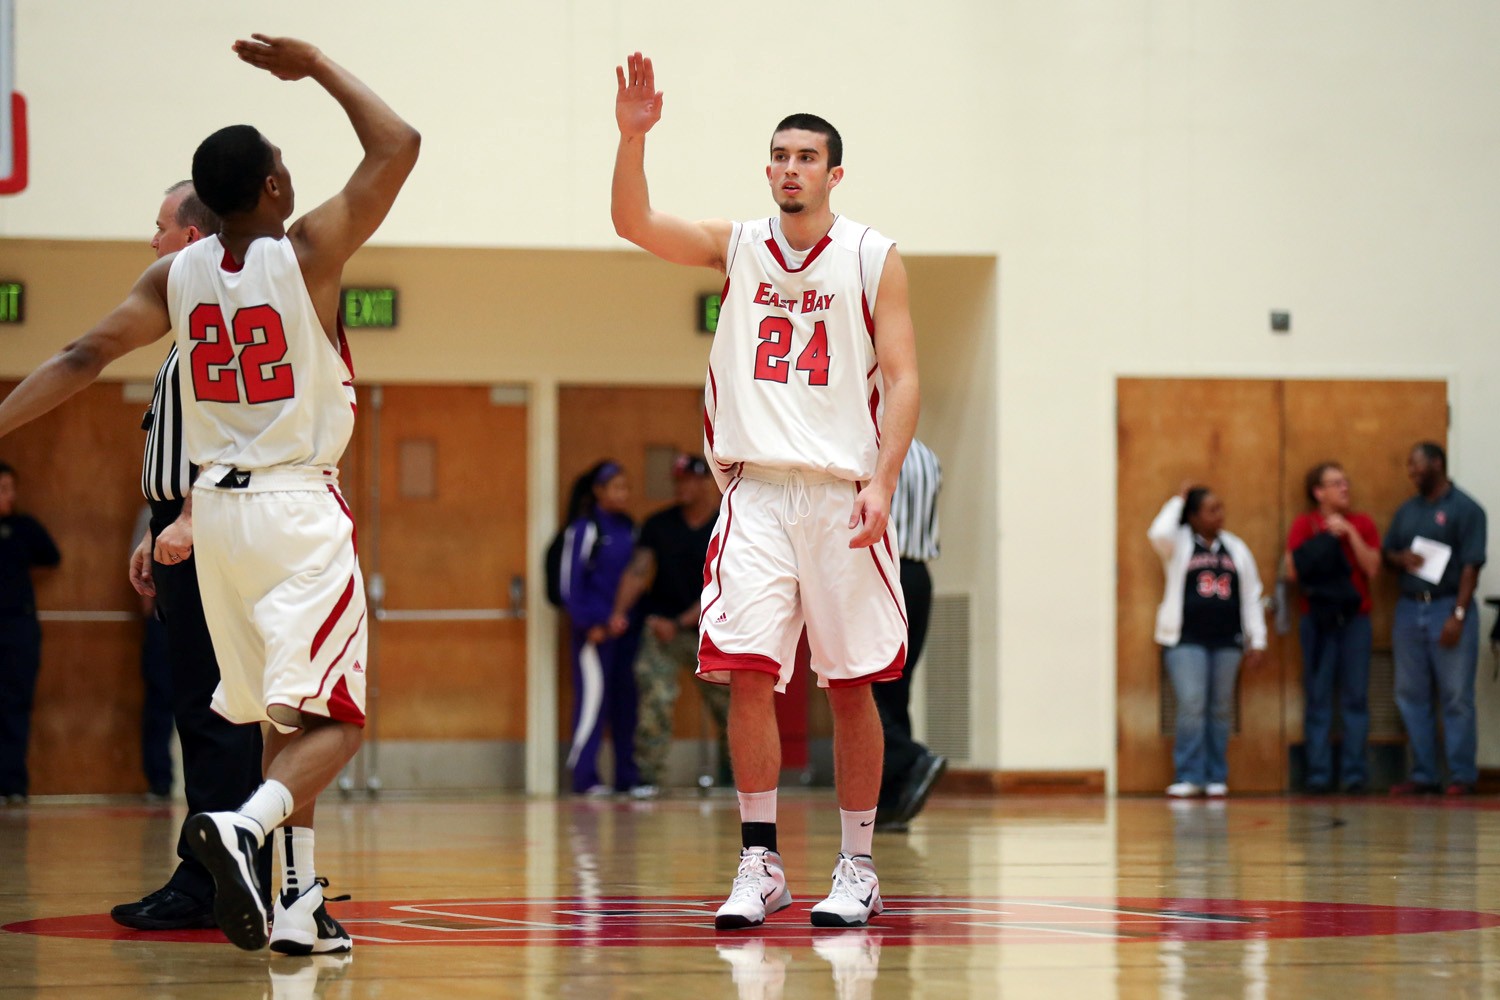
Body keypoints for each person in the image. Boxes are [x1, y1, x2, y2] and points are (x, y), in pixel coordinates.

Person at [0, 34, 419, 954]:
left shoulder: (176, 275)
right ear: (272, 190)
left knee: (287, 712)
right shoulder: (307, 251)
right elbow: (399, 144)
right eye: (282, 166)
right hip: (295, 508)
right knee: (340, 722)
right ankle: (245, 826)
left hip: (215, 520)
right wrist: (314, 68)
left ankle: (301, 903)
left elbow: (81, 356)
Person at [612, 53, 919, 930]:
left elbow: (902, 380)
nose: (789, 167)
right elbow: (633, 222)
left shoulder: (871, 256)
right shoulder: (737, 244)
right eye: (779, 154)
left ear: (834, 172)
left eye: (806, 156)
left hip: (840, 494)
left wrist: (884, 480)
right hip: (753, 493)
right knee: (747, 675)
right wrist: (633, 139)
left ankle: (857, 864)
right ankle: (760, 859)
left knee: (851, 684)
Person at [111, 182, 271, 933]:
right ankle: (232, 865)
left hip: (214, 525)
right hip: (184, 521)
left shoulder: (226, 323)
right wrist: (159, 522)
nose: (151, 243)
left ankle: (211, 876)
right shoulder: (187, 332)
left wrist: (193, 515)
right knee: (207, 707)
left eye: (159, 228)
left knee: (213, 710)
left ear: (195, 237)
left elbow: (240, 440)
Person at [608, 453, 731, 797]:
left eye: (689, 480)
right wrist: (619, 612)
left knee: (732, 706)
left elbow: (722, 583)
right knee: (655, 698)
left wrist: (679, 623)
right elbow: (637, 571)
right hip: (662, 628)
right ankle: (647, 777)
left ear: (706, 481)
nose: (682, 487)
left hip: (713, 628)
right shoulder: (658, 524)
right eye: (677, 481)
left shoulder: (726, 522)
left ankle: (736, 778)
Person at [1148, 485, 1267, 798]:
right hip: (1186, 639)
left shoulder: (1235, 548)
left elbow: (1251, 595)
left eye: (1221, 508)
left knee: (1220, 708)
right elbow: (1158, 533)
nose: (1219, 515)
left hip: (1227, 640)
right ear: (1194, 516)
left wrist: (1258, 640)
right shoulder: (1178, 544)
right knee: (1192, 703)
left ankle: (1216, 775)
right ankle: (1189, 775)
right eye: (1211, 509)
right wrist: (1177, 501)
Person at [1382, 442, 1487, 796]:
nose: (1411, 472)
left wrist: (1458, 614)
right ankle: (1424, 774)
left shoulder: (1466, 508)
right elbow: (1387, 553)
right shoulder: (1407, 511)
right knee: (1410, 693)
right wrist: (1401, 559)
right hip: (1410, 606)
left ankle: (1461, 776)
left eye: (1416, 465)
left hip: (1447, 605)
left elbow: (1472, 565)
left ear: (1437, 463)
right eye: (1408, 466)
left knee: (1456, 695)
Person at [1284, 462, 1380, 794]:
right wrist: (1324, 539)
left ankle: (1354, 775)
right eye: (1335, 483)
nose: (1344, 488)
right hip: (1318, 620)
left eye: (1346, 481)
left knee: (1356, 697)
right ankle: (1319, 775)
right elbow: (1292, 573)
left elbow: (1372, 568)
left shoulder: (1363, 523)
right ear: (1318, 492)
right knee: (1319, 697)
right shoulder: (1304, 525)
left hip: (1356, 620)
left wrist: (1349, 535)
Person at [874, 438, 946, 830]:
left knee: (864, 687)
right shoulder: (928, 455)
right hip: (920, 577)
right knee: (895, 688)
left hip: (886, 572)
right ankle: (893, 800)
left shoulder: (872, 447)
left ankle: (910, 757)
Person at [560, 460, 641, 795]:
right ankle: (585, 776)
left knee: (626, 703)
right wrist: (586, 623)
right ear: (598, 491)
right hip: (593, 635)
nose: (622, 494)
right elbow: (569, 583)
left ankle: (627, 776)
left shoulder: (629, 529)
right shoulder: (584, 530)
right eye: (615, 487)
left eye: (625, 487)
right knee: (593, 702)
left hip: (623, 632)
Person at [0, 462, 60, 805]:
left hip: (18, 628)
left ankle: (13, 785)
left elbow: (51, 556)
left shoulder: (24, 527)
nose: (8, 495)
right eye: (2, 488)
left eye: (11, 488)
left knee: (15, 705)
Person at [130, 504, 174, 801]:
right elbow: (140, 573)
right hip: (163, 622)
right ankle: (159, 781)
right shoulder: (150, 514)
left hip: (207, 622)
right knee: (159, 702)